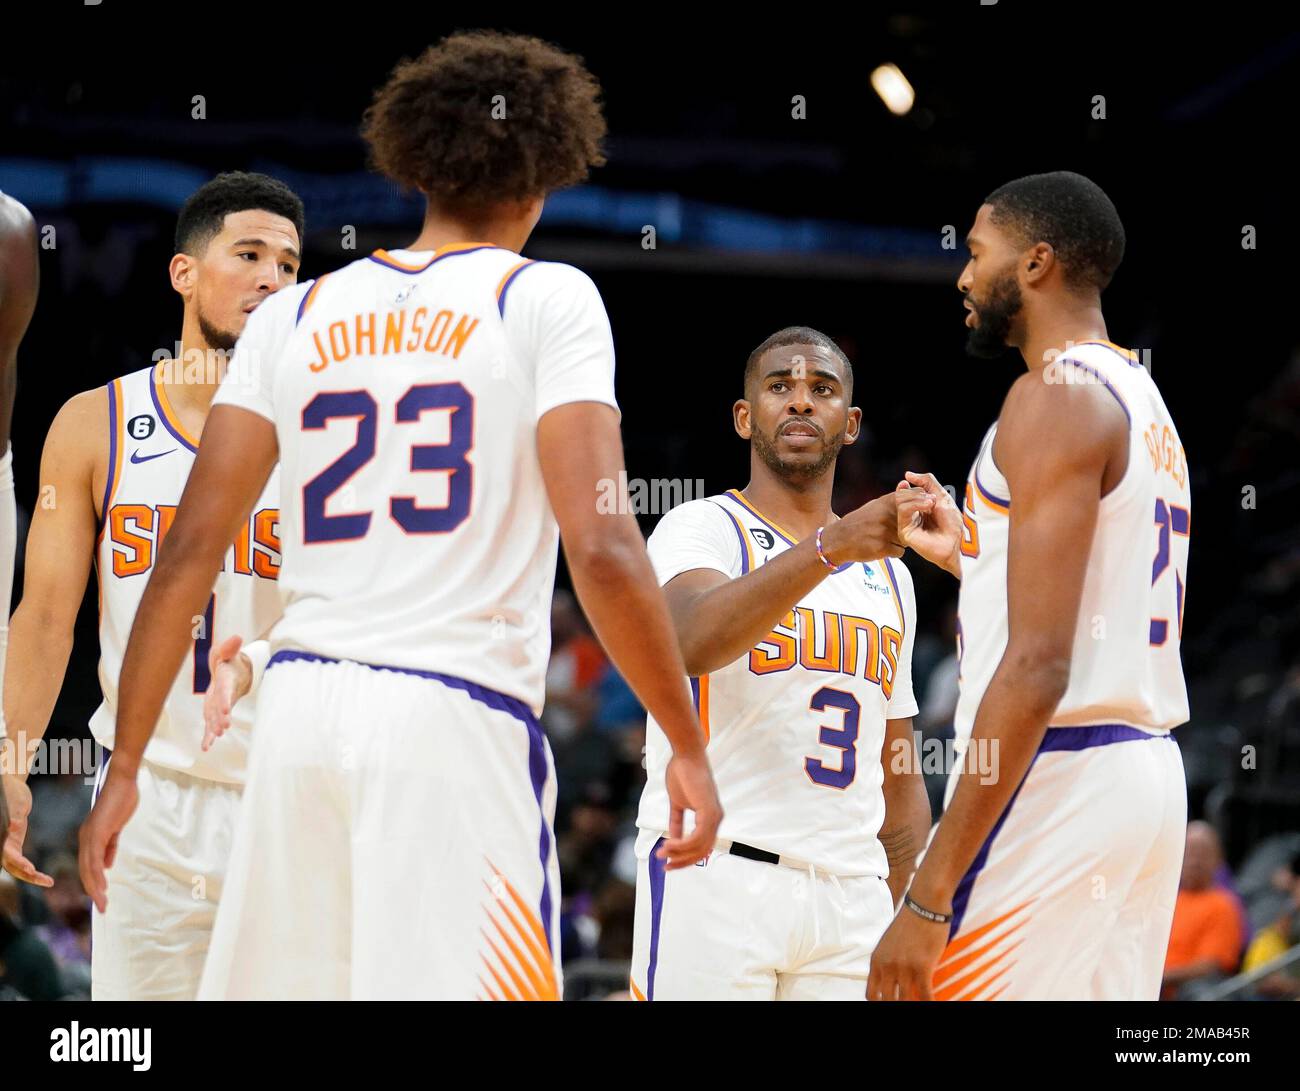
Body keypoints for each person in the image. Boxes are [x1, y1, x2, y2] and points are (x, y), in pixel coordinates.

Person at [80, 30, 720, 1001]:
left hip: (294, 715)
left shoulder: (296, 315)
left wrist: (123, 764)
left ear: (411, 161)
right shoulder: (547, 298)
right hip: (450, 714)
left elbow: (188, 553)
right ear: (549, 171)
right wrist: (682, 737)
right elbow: (598, 540)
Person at [872, 171, 1190, 1000]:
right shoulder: (1142, 398)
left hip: (1060, 772)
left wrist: (928, 896)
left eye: (978, 253)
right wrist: (974, 556)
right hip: (1146, 777)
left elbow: (1042, 663)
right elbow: (1103, 596)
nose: (964, 276)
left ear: (1037, 261)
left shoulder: (1048, 397)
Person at [4, 171, 301, 998]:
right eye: (248, 254)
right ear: (184, 273)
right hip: (148, 797)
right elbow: (46, 616)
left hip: (283, 785)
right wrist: (12, 760)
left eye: (287, 262)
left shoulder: (324, 438)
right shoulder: (94, 421)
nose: (271, 278)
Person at [630, 326, 931, 1000]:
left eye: (821, 389)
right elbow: (689, 639)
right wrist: (832, 545)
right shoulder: (700, 526)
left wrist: (912, 904)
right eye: (779, 386)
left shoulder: (891, 575)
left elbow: (898, 765)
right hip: (716, 869)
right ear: (745, 416)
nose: (800, 401)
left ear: (849, 424)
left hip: (851, 894)